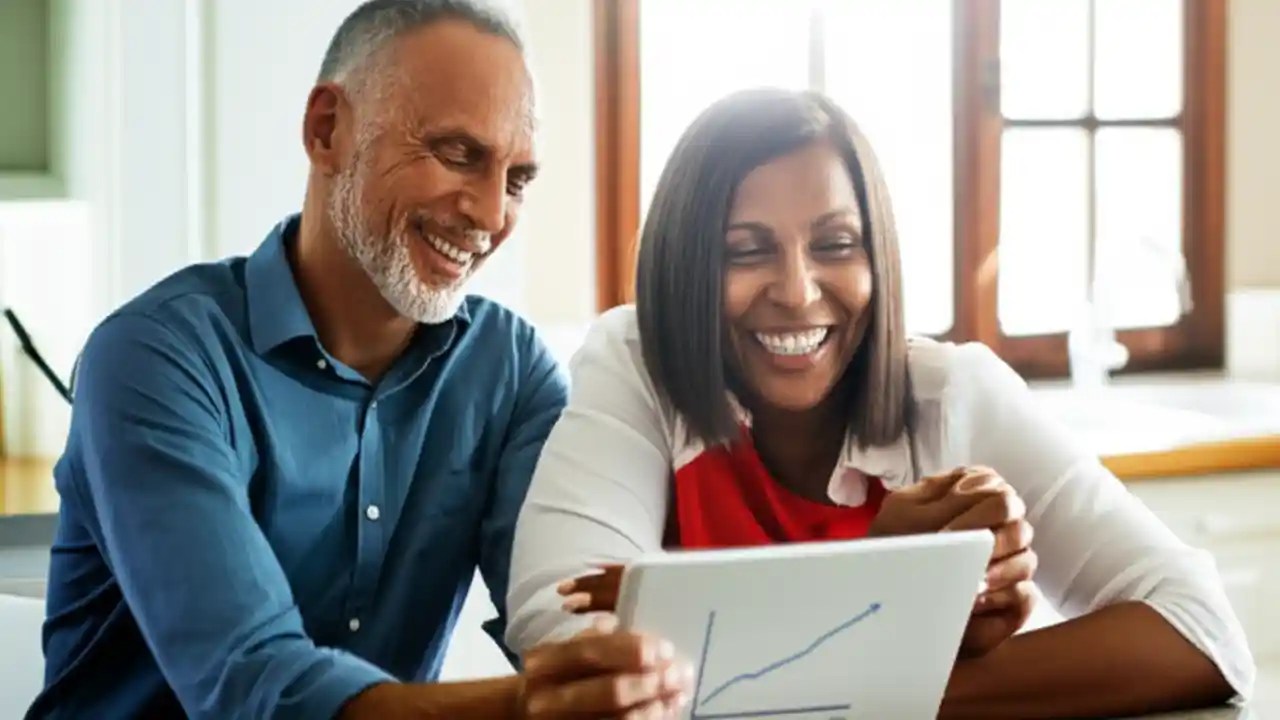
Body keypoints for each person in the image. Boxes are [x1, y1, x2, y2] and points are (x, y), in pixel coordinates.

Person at [27, 1, 693, 718]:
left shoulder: (510, 368)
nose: (492, 214)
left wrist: (630, 666)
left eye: (518, 179)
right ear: (326, 131)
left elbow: (561, 606)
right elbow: (255, 687)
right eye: (457, 154)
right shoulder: (155, 358)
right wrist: (538, 704)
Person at [504, 88, 1255, 718]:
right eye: (745, 250)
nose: (798, 291)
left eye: (835, 245)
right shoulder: (637, 363)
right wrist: (888, 595)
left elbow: (1202, 631)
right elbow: (566, 640)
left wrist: (870, 680)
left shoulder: (954, 394)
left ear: (878, 259)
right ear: (684, 264)